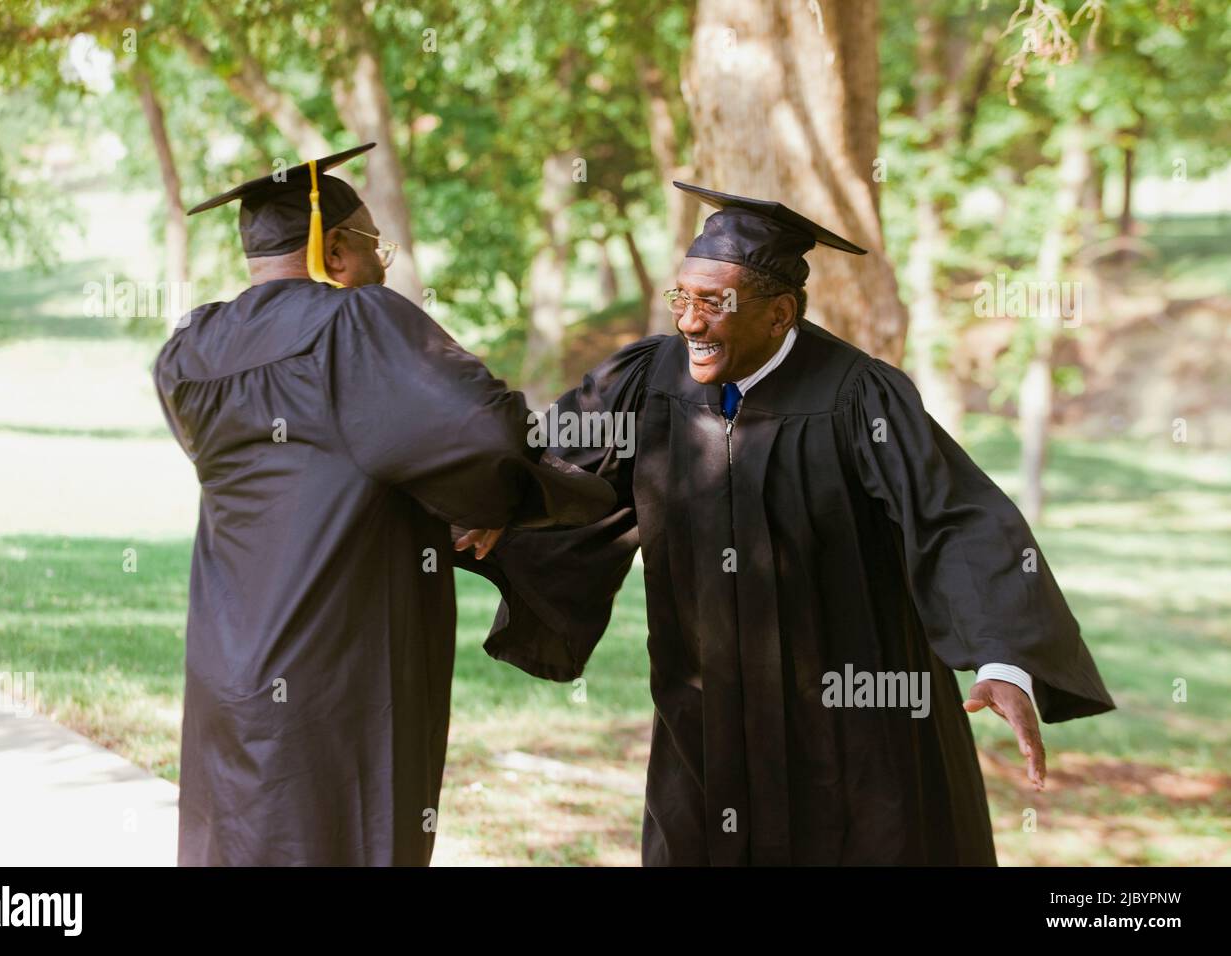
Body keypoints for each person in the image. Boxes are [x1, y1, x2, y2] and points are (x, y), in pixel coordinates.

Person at [455, 182, 1115, 866]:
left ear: (778, 316)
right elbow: (560, 459)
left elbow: (952, 515)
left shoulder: (858, 395)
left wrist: (1004, 657)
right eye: (681, 297)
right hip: (707, 707)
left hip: (856, 711)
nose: (687, 321)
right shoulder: (650, 379)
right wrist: (496, 501)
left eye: (714, 303)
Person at [153, 143, 614, 866]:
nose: (385, 264)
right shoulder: (353, 323)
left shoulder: (190, 349)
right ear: (334, 250)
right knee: (350, 838)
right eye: (377, 246)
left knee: (238, 840)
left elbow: (324, 452)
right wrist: (492, 499)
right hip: (339, 663)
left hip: (229, 659)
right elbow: (486, 434)